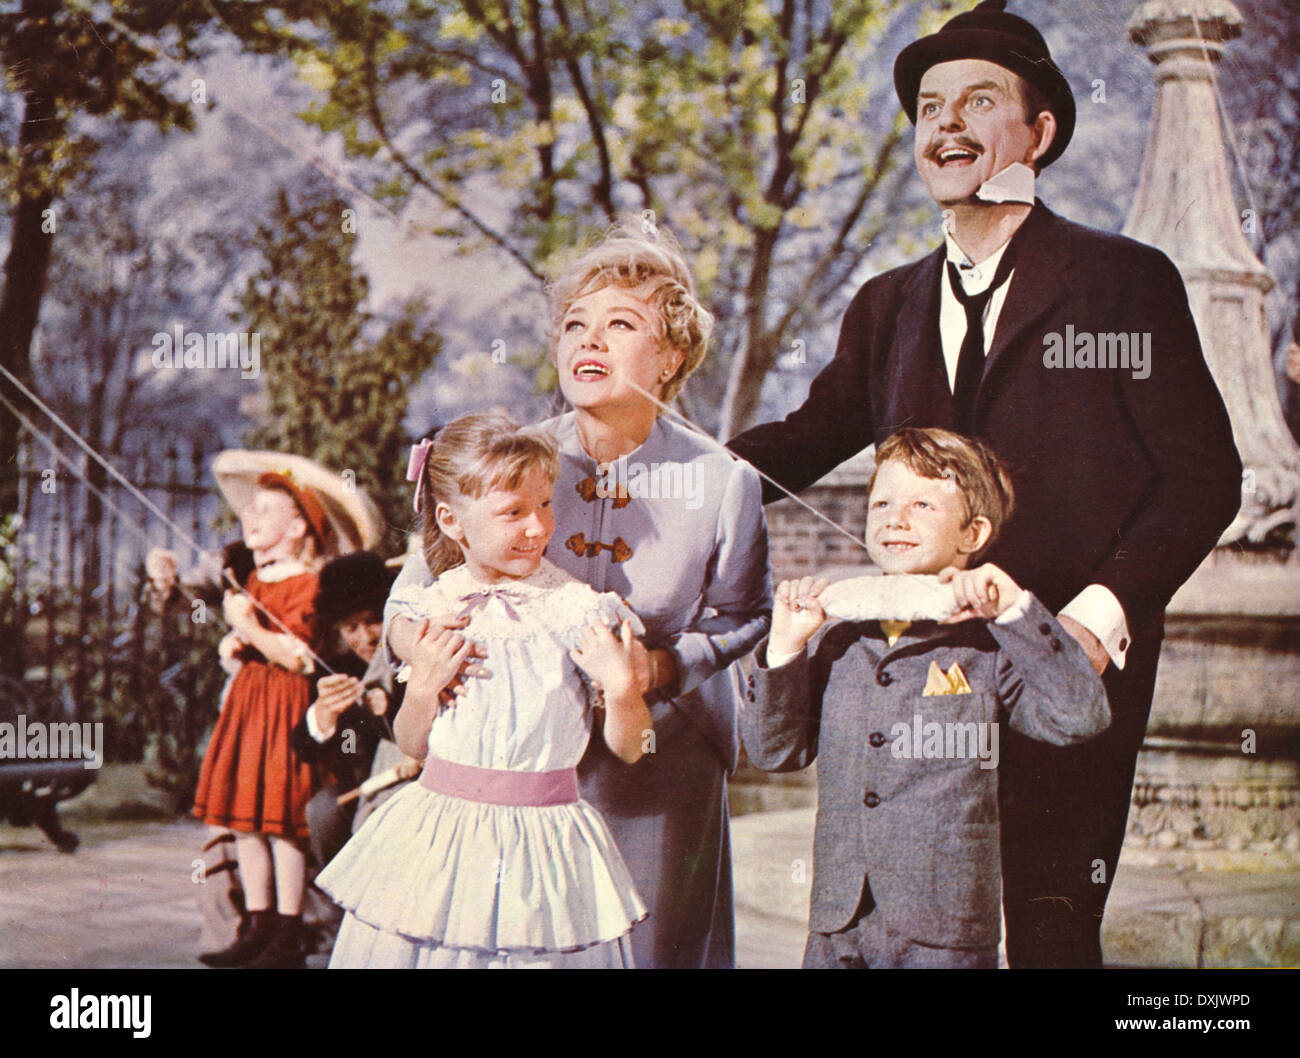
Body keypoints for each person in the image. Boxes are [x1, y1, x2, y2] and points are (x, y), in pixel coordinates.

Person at [728, 0, 1242, 967]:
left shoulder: (1124, 281)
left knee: (1052, 933)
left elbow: (1205, 479)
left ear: (1039, 134)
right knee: (902, 935)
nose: (946, 125)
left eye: (977, 101)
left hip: (1061, 668)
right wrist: (666, 475)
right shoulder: (885, 304)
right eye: (930, 107)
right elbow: (802, 440)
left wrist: (1090, 623)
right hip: (917, 684)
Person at [388, 221, 771, 967]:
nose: (588, 340)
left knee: (647, 951)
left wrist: (660, 668)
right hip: (519, 760)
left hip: (658, 758)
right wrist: (427, 653)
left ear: (671, 357)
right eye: (573, 325)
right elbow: (410, 594)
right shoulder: (507, 456)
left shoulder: (724, 480)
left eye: (620, 324)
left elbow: (745, 614)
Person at [744, 428, 1110, 967]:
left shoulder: (990, 643)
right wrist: (785, 648)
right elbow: (774, 752)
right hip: (838, 924)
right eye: (882, 504)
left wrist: (1016, 610)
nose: (895, 518)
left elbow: (1080, 716)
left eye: (922, 505)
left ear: (972, 533)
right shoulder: (839, 637)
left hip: (946, 931)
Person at [317, 413, 651, 968]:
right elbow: (412, 744)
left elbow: (633, 748)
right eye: (513, 511)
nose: (538, 527)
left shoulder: (579, 611)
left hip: (545, 843)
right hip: (440, 834)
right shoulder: (433, 610)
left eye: (545, 504)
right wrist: (423, 688)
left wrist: (621, 691)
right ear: (451, 520)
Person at [192, 471, 332, 969]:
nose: (250, 515)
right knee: (244, 820)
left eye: (266, 509)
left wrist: (247, 626)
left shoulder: (307, 581)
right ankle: (259, 925)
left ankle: (288, 931)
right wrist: (236, 642)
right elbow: (253, 641)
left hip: (283, 706)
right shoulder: (253, 578)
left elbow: (298, 657)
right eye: (249, 508)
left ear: (296, 528)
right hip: (250, 701)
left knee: (280, 820)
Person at [289, 550, 418, 871]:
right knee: (323, 810)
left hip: (415, 786)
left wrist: (389, 711)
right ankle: (338, 896)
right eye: (352, 628)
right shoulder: (337, 670)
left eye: (374, 621)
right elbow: (304, 748)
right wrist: (323, 715)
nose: (366, 638)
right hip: (361, 789)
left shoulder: (412, 658)